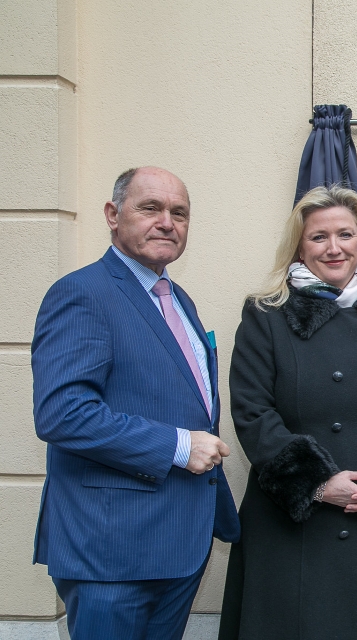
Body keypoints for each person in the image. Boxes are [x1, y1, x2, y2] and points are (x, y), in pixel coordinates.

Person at [219, 185, 357, 640]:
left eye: (346, 234)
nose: (334, 247)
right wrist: (318, 483)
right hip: (294, 527)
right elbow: (252, 414)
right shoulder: (266, 313)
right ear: (299, 246)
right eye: (319, 237)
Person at [31, 166, 241, 639]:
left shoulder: (176, 298)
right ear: (113, 214)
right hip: (112, 553)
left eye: (179, 213)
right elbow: (63, 413)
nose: (167, 222)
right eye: (150, 208)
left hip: (178, 544)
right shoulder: (82, 293)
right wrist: (180, 446)